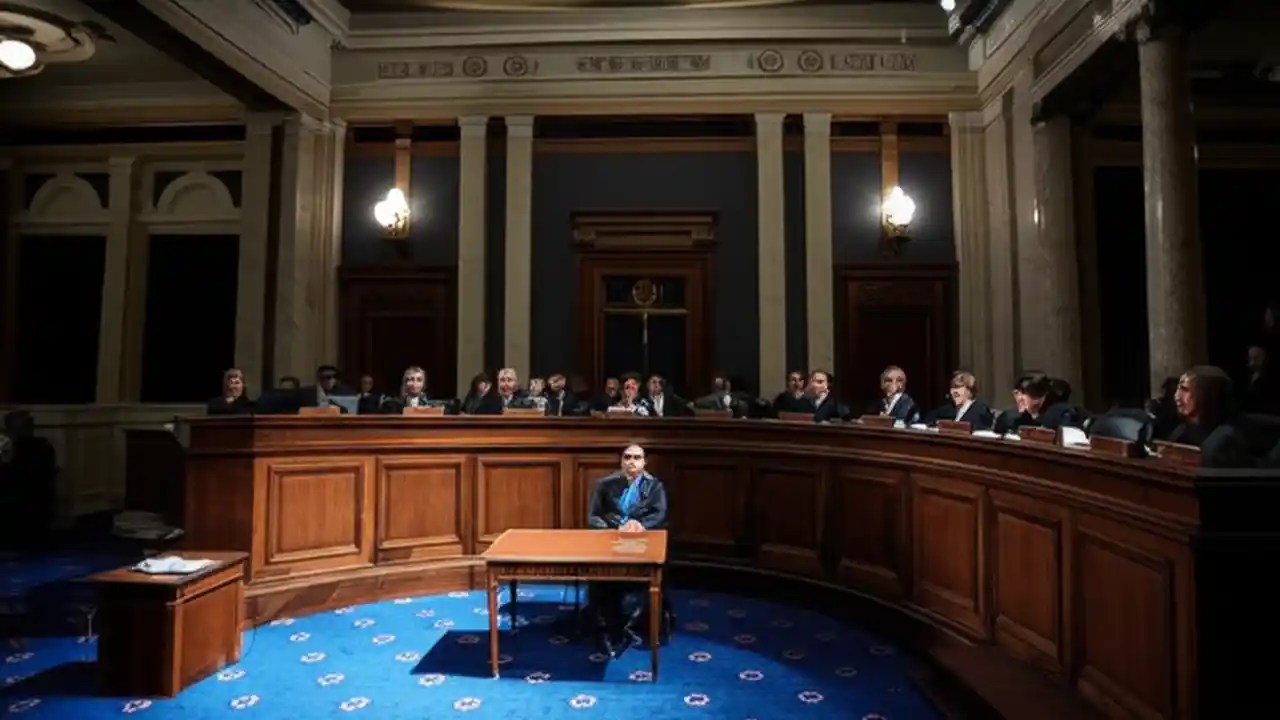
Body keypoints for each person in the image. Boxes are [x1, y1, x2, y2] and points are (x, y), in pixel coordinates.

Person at [587, 443, 667, 656]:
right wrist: (615, 528)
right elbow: (593, 517)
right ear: (621, 461)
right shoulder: (604, 485)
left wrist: (641, 526)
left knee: (637, 584)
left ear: (644, 462)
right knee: (600, 580)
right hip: (610, 541)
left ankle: (629, 629)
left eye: (637, 457)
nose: (631, 462)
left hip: (642, 542)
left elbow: (659, 515)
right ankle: (605, 629)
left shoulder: (654, 486)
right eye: (627, 457)